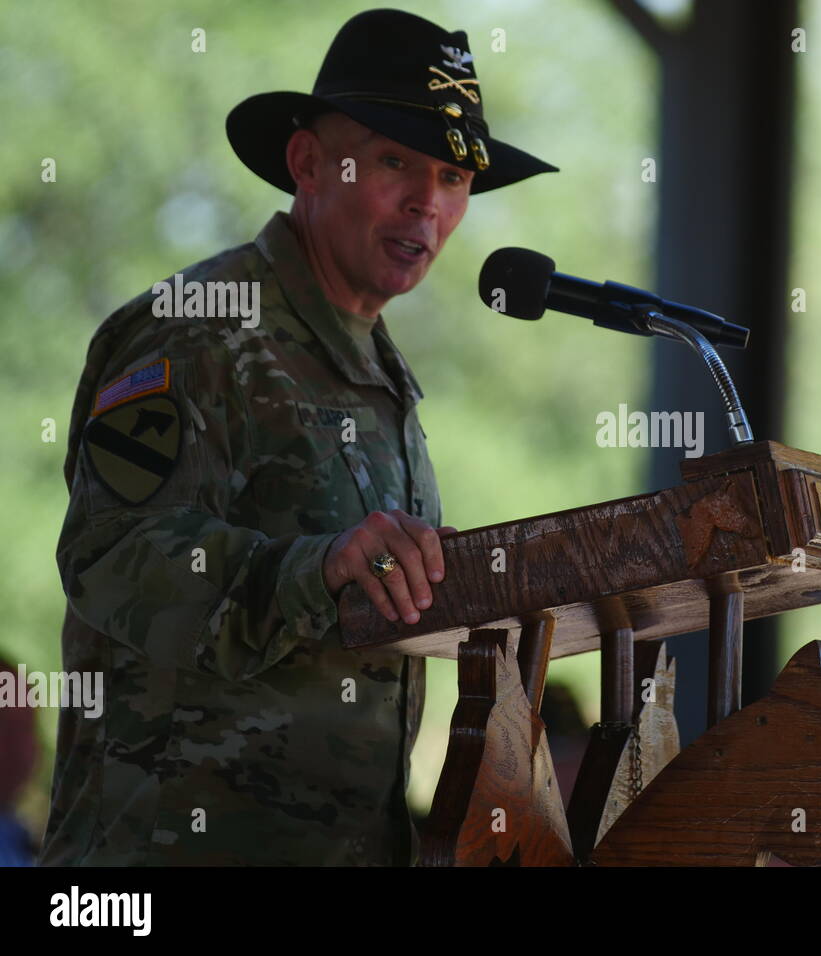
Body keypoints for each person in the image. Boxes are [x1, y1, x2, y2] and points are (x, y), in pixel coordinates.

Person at [40, 9, 556, 866]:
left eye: (454, 177)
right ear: (307, 162)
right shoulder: (198, 331)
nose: (428, 202)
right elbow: (110, 554)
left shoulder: (378, 369)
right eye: (394, 161)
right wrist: (312, 570)